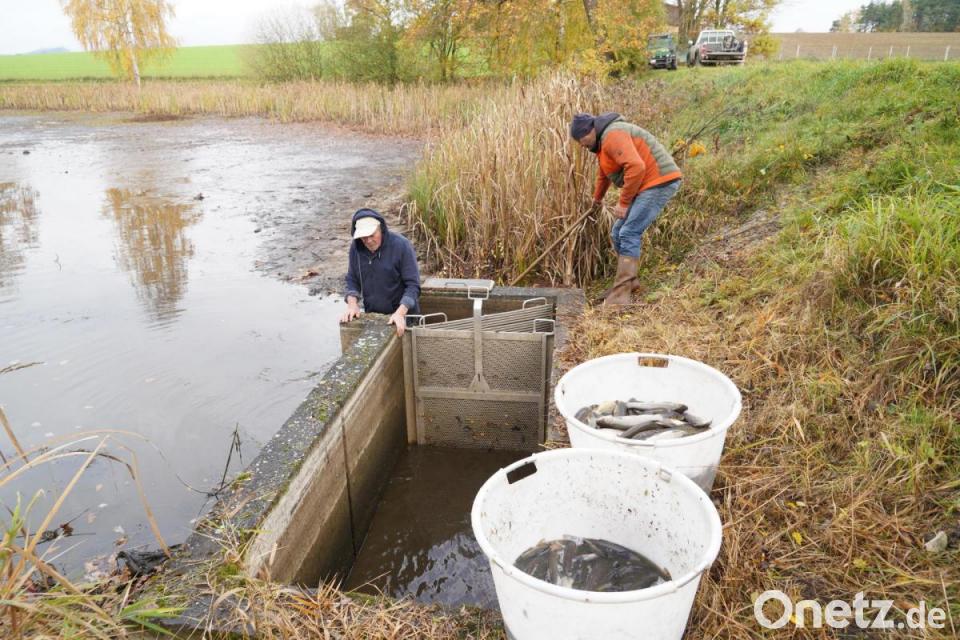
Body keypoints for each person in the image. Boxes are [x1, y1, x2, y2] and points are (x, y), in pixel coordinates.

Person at [569, 112, 682, 305]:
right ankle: (630, 283)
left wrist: (623, 203)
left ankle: (621, 295)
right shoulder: (602, 144)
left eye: (582, 139)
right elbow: (604, 175)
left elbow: (636, 167)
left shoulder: (613, 135)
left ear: (591, 130)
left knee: (629, 231)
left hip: (660, 181)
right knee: (617, 232)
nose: (581, 144)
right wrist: (597, 200)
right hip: (646, 185)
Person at [340, 208, 421, 337]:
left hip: (405, 315)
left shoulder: (401, 246)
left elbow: (413, 286)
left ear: (381, 229)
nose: (368, 241)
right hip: (374, 314)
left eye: (372, 235)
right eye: (363, 237)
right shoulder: (356, 248)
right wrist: (352, 304)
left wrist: (400, 313)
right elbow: (352, 279)